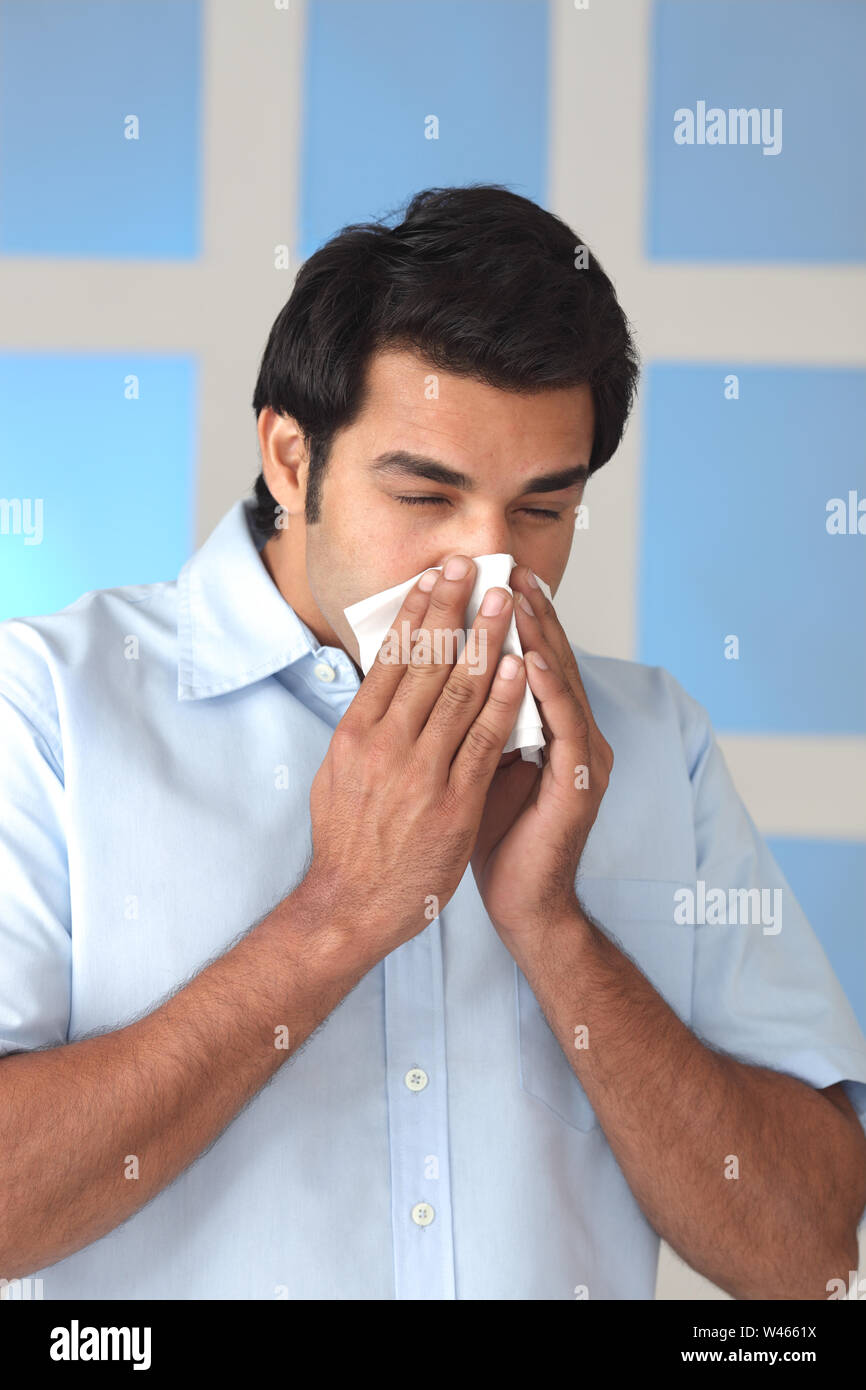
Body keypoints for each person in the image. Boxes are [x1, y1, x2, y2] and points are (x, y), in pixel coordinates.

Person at [0, 185, 864, 1302]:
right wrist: (340, 913)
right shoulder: (51, 708)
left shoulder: (653, 740)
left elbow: (806, 1257)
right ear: (289, 459)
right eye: (424, 493)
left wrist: (552, 931)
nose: (485, 560)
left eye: (542, 509)